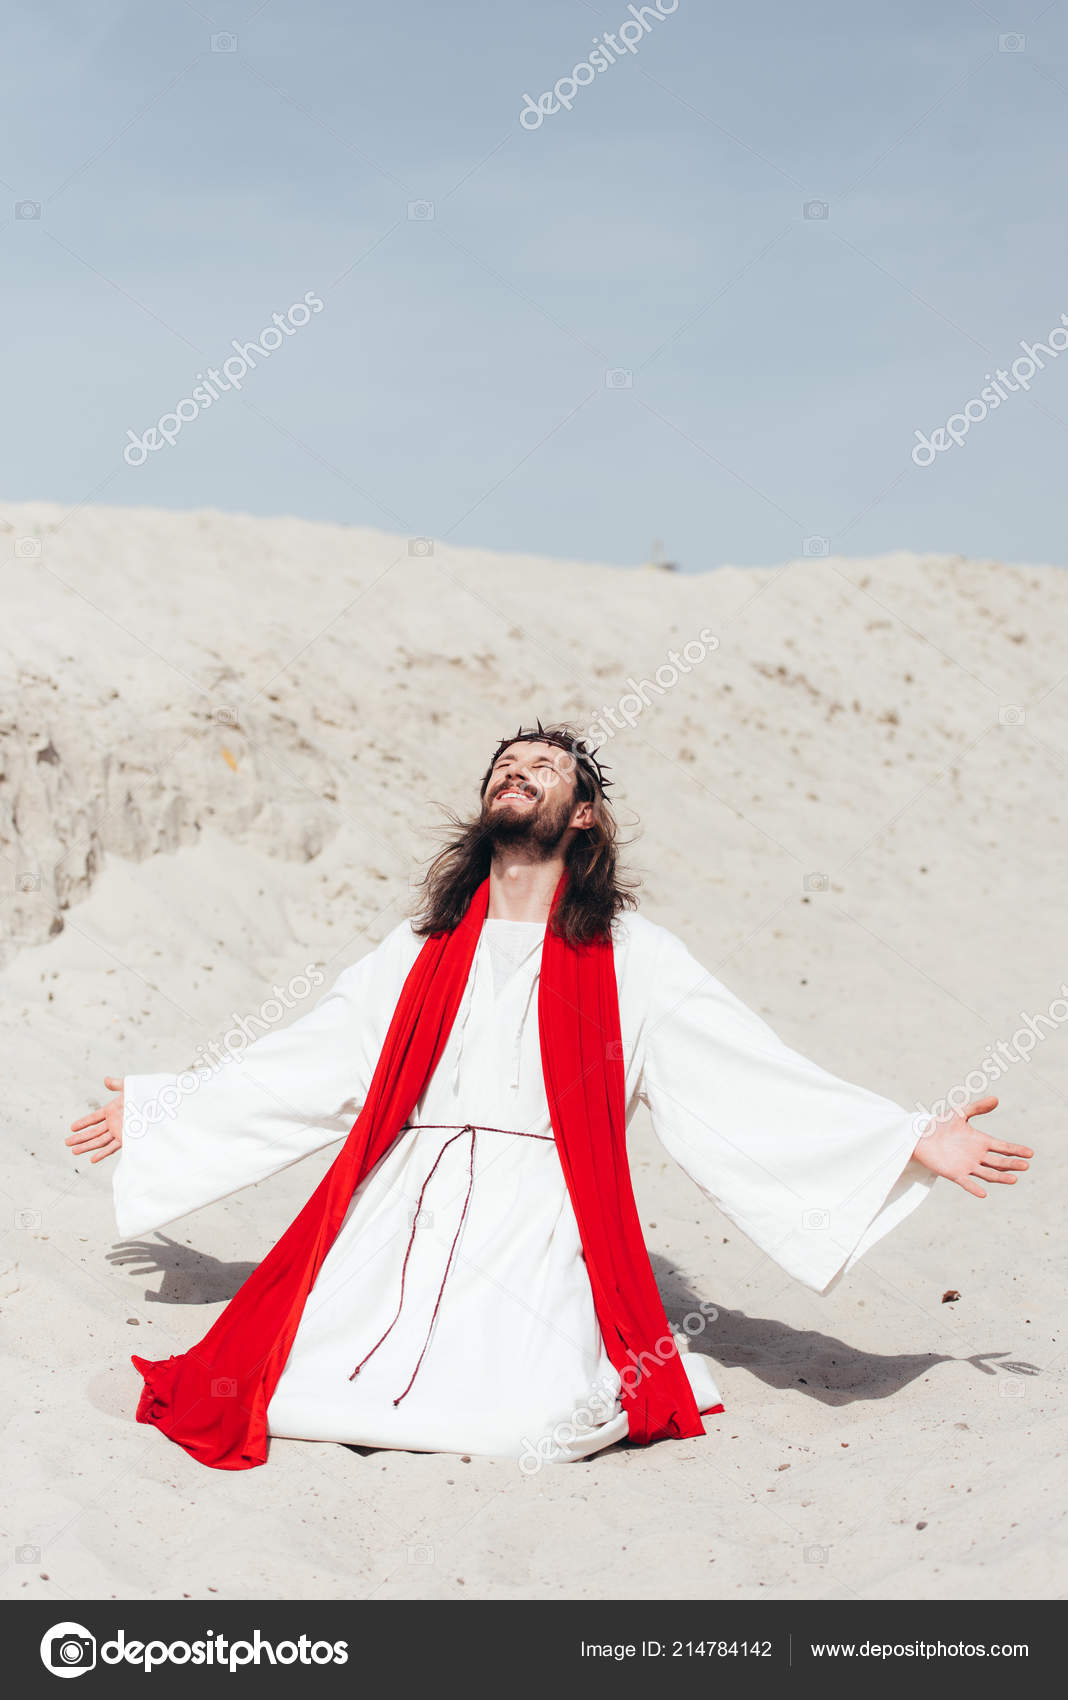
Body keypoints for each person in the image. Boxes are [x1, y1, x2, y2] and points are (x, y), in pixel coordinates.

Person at [67, 723, 1033, 1471]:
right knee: (293, 1385)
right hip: (401, 1197)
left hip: (543, 1209)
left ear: (581, 816)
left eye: (542, 764)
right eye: (504, 763)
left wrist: (904, 1140)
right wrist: (163, 1112)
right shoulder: (420, 948)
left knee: (522, 1413)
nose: (516, 770)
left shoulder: (637, 959)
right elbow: (307, 1064)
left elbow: (748, 1078)